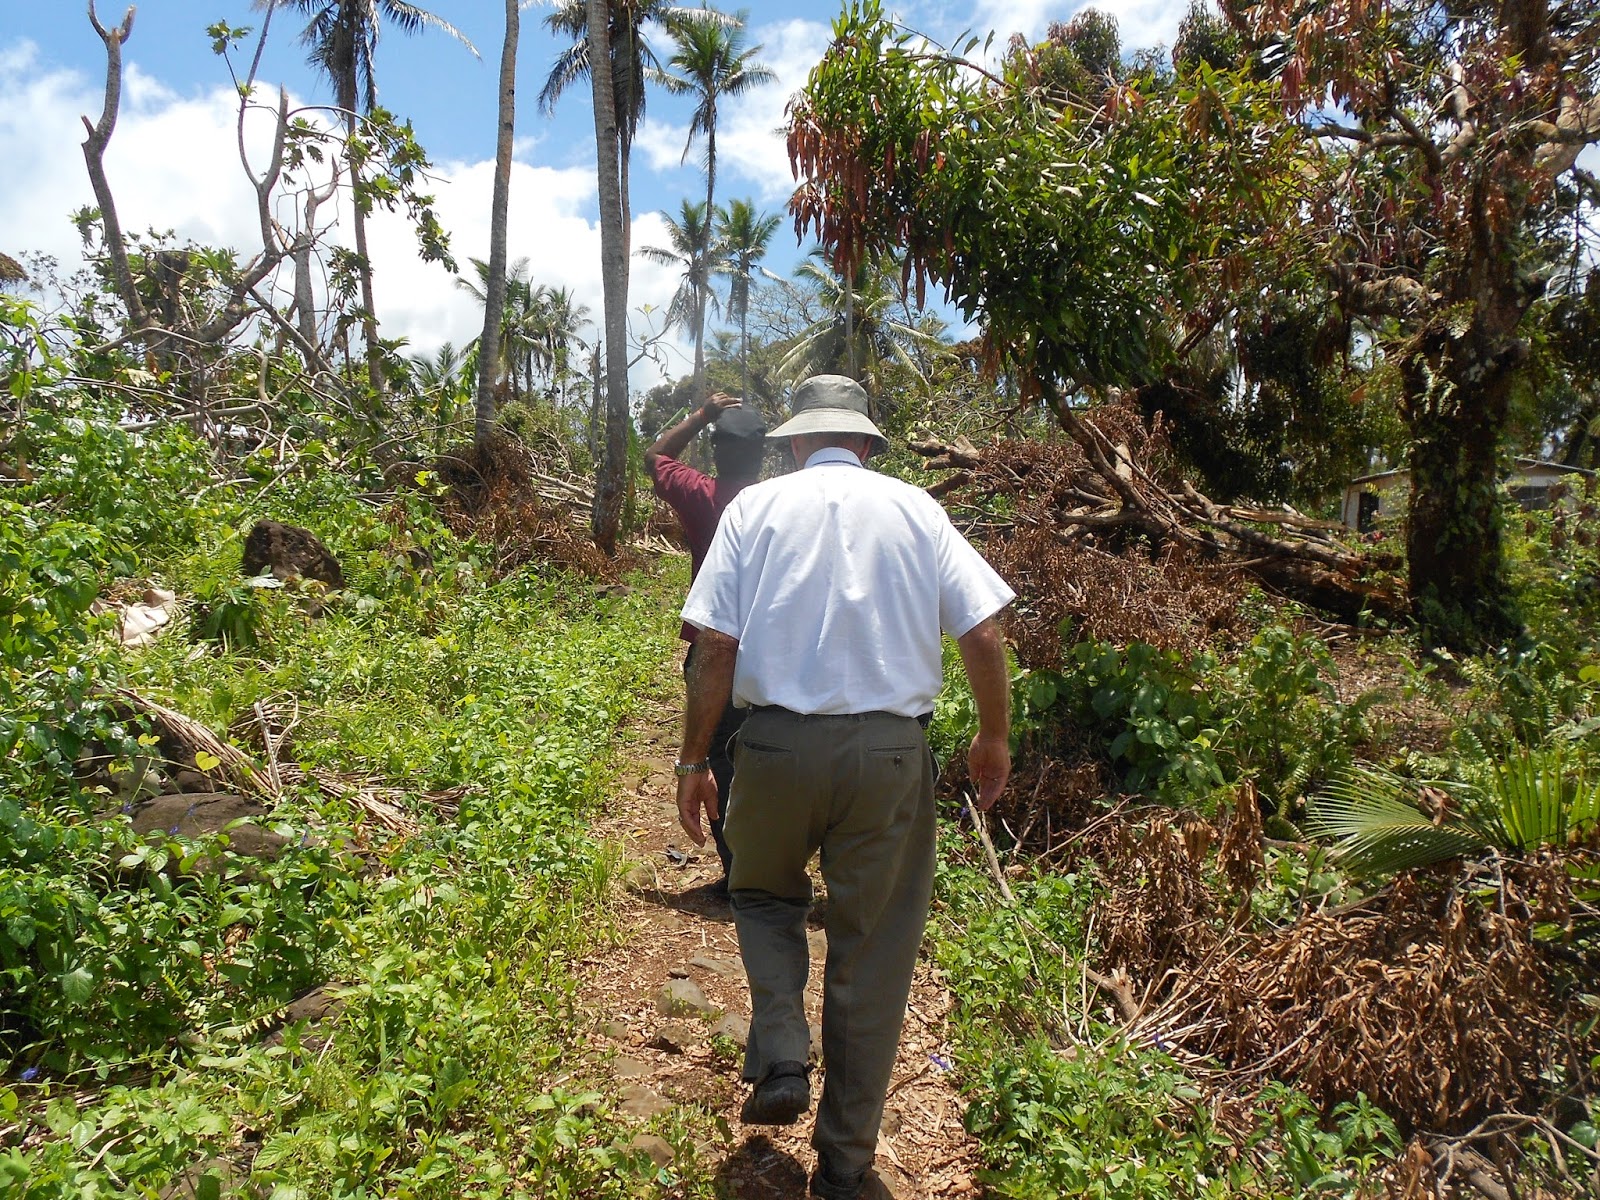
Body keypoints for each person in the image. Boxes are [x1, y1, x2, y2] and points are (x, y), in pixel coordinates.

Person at [673, 375, 1014, 1200]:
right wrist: (993, 734)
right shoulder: (917, 509)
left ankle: (783, 1048)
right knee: (875, 950)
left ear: (793, 442)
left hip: (777, 746)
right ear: (865, 442)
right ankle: (846, 1168)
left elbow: (715, 645)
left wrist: (692, 763)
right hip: (891, 757)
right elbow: (985, 629)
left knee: (760, 894)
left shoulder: (753, 509)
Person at [646, 391, 768, 894]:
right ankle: (777, 861)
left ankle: (738, 871)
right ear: (763, 455)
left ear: (716, 453)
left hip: (713, 647)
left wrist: (702, 414)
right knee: (771, 751)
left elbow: (655, 457)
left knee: (719, 755)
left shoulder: (701, 495)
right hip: (773, 649)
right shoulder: (778, 502)